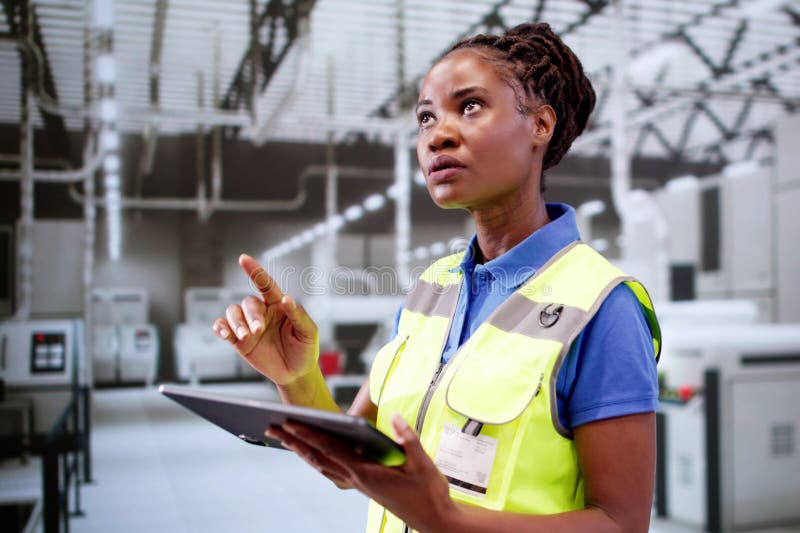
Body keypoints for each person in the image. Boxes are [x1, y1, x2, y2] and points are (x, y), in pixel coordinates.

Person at [213, 22, 661, 533]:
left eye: (469, 106)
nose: (437, 134)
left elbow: (621, 524)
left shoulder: (601, 305)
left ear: (540, 125)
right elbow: (356, 459)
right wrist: (295, 376)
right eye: (425, 117)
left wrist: (446, 519)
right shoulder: (434, 286)